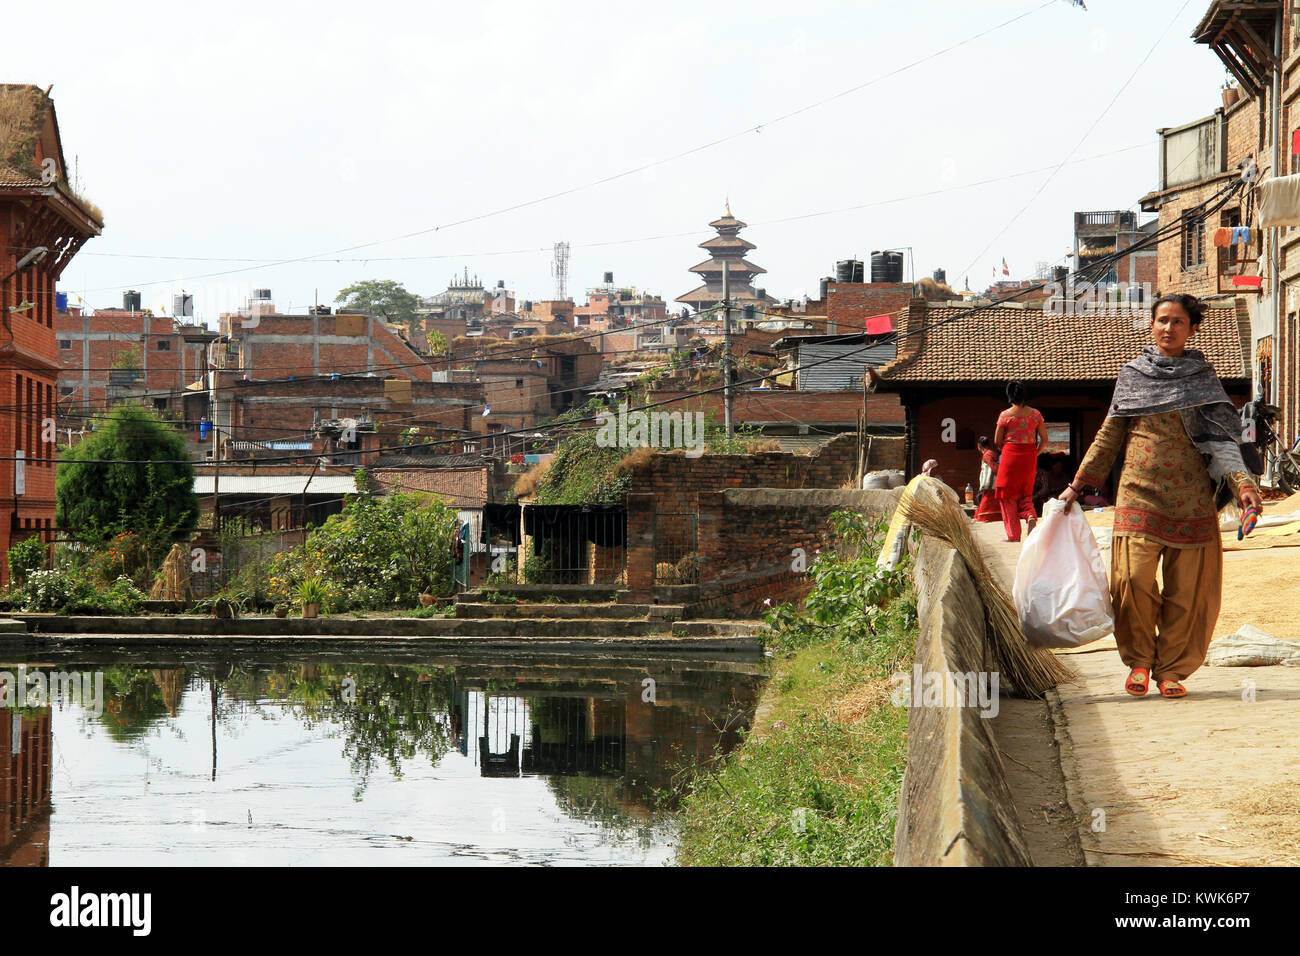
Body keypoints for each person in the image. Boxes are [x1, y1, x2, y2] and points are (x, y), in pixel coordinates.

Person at [1059, 293, 1263, 700]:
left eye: (1178, 322)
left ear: (1192, 328)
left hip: (1191, 500)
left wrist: (1243, 487)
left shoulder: (1202, 379)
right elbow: (1110, 434)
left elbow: (1223, 442)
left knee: (1186, 591)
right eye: (1162, 320)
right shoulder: (1133, 375)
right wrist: (1076, 486)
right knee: (1132, 580)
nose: (1169, 328)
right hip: (1138, 492)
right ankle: (1138, 660)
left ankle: (1170, 669)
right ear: (1151, 325)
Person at [994, 381, 1048, 541]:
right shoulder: (1036, 415)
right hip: (1029, 456)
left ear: (1010, 395)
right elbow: (1044, 440)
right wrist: (1034, 453)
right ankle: (1030, 515)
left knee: (1007, 494)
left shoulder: (1005, 415)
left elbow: (997, 441)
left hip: (1010, 455)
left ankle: (1013, 535)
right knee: (1026, 493)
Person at [974, 436, 1000, 522]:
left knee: (984, 512)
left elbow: (994, 468)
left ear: (979, 446)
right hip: (995, 487)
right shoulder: (993, 453)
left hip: (989, 487)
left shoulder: (987, 455)